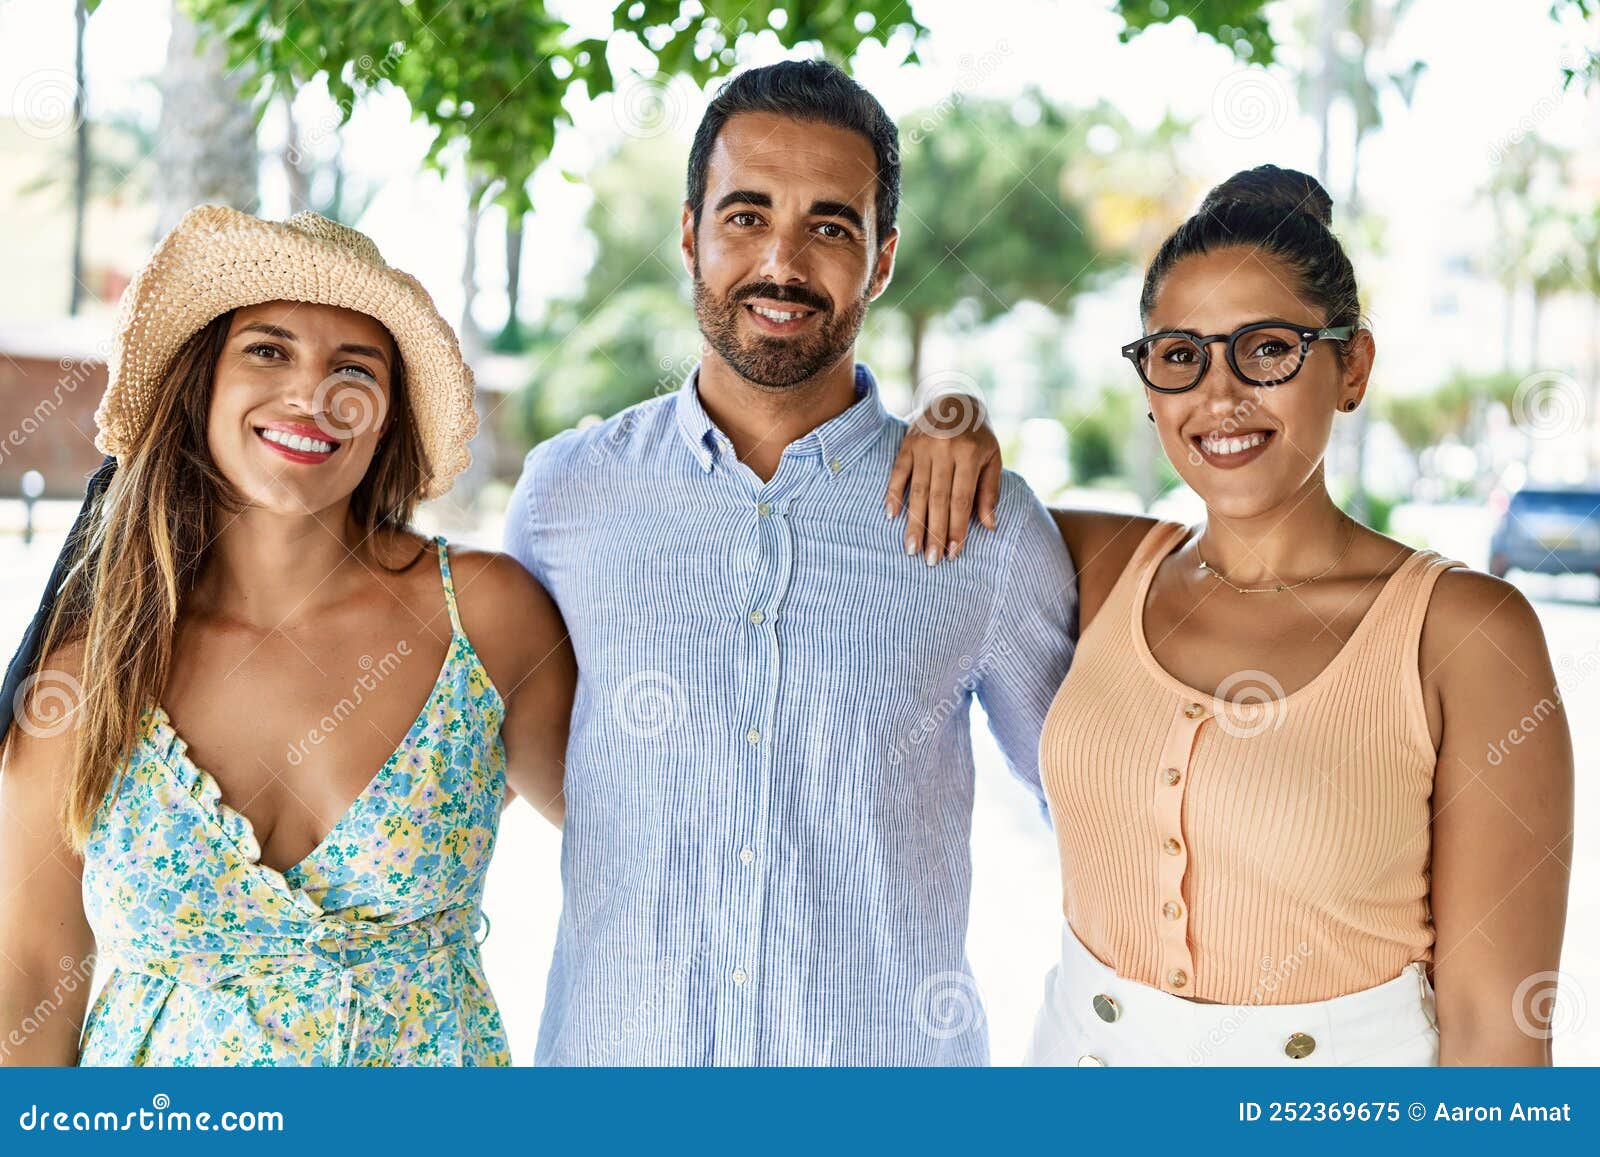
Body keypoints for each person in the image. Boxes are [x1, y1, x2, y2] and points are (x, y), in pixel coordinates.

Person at [503, 60, 1078, 1065]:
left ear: (882, 259)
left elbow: (1093, 807)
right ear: (689, 232)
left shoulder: (985, 523)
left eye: (829, 225)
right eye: (745, 214)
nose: (781, 259)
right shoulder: (564, 498)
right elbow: (511, 760)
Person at [0, 206, 576, 1065]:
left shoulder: (483, 618)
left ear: (386, 416)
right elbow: (31, 971)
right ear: (204, 385)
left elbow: (642, 848)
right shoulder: (92, 668)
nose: (314, 395)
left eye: (355, 368)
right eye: (268, 350)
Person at [1034, 166, 1574, 1066]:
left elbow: (1497, 1036)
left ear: (1351, 366)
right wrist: (950, 431)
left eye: (1268, 348)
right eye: (1181, 354)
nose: (1220, 395)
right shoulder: (1099, 565)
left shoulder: (1467, 635)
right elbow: (906, 498)